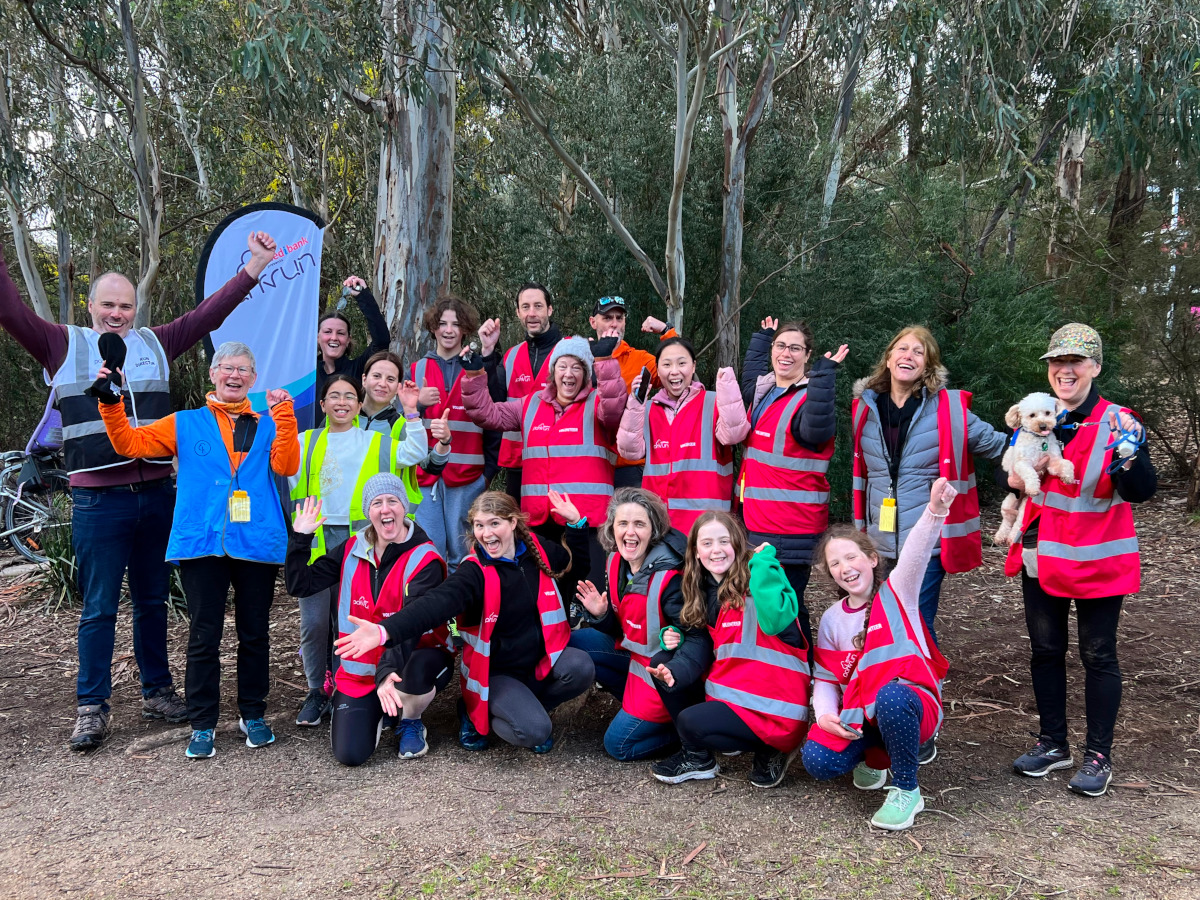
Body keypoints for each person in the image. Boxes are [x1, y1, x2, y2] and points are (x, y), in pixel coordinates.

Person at [0, 232, 278, 751]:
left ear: (136, 308)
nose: (117, 314)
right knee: (100, 605)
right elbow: (11, 311)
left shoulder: (156, 342)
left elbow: (207, 316)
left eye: (126, 305)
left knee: (153, 599)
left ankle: (157, 691)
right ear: (90, 306)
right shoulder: (61, 343)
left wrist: (255, 267)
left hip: (156, 494)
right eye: (108, 304)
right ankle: (92, 707)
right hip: (97, 501)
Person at [96, 342, 297, 758]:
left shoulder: (268, 422)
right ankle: (203, 722)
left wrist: (285, 414)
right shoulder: (185, 423)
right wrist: (111, 404)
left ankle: (252, 714)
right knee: (203, 636)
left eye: (243, 369)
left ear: (253, 379)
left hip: (255, 540)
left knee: (254, 634)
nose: (235, 375)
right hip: (201, 541)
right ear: (213, 374)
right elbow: (130, 444)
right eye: (227, 368)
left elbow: (286, 466)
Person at [1006, 324, 1156, 797]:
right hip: (1041, 551)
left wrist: (1128, 459)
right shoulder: (1035, 413)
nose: (1064, 370)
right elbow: (1010, 475)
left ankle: (1098, 755)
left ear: (1094, 366)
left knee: (1098, 654)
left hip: (1097, 556)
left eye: (1074, 361)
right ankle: (1053, 743)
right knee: (1045, 651)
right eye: (1056, 362)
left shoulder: (1118, 420)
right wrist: (1012, 477)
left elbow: (1142, 491)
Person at [335, 491, 595, 752]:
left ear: (513, 523)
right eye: (479, 525)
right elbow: (432, 605)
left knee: (581, 666)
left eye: (495, 523)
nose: (486, 533)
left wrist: (575, 526)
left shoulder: (536, 549)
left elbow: (577, 569)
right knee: (535, 732)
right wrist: (384, 631)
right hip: (496, 674)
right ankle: (475, 713)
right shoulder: (473, 572)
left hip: (539, 662)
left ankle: (530, 706)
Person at [801, 479, 954, 831]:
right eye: (835, 563)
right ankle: (874, 757)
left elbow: (916, 552)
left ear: (871, 559)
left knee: (891, 695)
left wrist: (934, 512)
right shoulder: (832, 619)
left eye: (852, 556)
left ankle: (906, 789)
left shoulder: (898, 593)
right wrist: (825, 716)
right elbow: (825, 679)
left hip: (913, 707)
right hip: (862, 716)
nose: (845, 567)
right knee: (817, 759)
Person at [850, 325, 1006, 645]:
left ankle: (923, 692)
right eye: (902, 349)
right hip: (878, 539)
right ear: (889, 358)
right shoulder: (863, 408)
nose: (909, 356)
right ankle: (885, 690)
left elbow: (999, 445)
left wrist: (1044, 442)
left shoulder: (949, 409)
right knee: (881, 623)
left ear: (928, 365)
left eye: (918, 352)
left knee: (916, 624)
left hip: (925, 540)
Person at [288, 374, 428, 727]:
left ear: (359, 403)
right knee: (316, 622)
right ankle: (317, 690)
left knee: (351, 622)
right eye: (333, 396)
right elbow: (281, 464)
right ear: (322, 405)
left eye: (349, 396)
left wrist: (411, 413)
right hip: (317, 540)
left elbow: (416, 452)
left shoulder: (376, 441)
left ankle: (348, 688)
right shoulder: (305, 441)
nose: (342, 402)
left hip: (361, 544)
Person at [286, 475, 453, 766]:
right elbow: (301, 585)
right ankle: (381, 710)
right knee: (350, 755)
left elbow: (411, 626)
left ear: (405, 508)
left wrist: (385, 674)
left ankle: (410, 719)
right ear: (368, 512)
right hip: (359, 673)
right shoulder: (352, 546)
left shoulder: (425, 558)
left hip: (409, 660)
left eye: (393, 501)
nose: (385, 509)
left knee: (413, 674)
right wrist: (300, 539)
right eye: (377, 503)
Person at [651, 512, 810, 790]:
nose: (716, 550)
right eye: (707, 543)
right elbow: (703, 645)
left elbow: (777, 622)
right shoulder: (702, 590)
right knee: (664, 662)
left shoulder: (763, 579)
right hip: (736, 696)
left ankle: (773, 748)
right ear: (696, 553)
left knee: (691, 722)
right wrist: (674, 647)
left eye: (724, 541)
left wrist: (762, 565)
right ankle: (698, 758)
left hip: (777, 705)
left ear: (738, 545)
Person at [462, 334, 626, 585]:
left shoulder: (599, 405)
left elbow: (615, 408)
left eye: (577, 367)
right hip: (539, 521)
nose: (569, 373)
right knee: (545, 595)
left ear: (586, 372)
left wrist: (604, 361)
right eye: (562, 366)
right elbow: (487, 414)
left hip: (587, 523)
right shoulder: (529, 404)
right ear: (553, 371)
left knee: (590, 594)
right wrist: (474, 377)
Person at [569, 488, 710, 760]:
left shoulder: (671, 578)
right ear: (612, 528)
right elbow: (627, 630)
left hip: (664, 672)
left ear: (654, 530)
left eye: (639, 524)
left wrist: (676, 645)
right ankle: (634, 709)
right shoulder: (617, 560)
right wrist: (601, 615)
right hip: (635, 659)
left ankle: (682, 729)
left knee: (618, 746)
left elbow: (697, 639)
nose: (629, 532)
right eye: (623, 523)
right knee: (577, 644)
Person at [739, 317, 848, 654]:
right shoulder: (768, 393)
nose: (787, 353)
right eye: (781, 346)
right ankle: (782, 672)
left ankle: (803, 671)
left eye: (795, 348)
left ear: (808, 355)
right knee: (766, 602)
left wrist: (824, 376)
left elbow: (816, 431)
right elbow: (749, 380)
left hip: (791, 526)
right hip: (758, 520)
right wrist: (761, 338)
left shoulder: (808, 397)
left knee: (786, 605)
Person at [618, 337, 749, 532]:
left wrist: (728, 388)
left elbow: (734, 434)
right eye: (667, 364)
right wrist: (635, 404)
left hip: (707, 525)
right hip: (659, 524)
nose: (674, 371)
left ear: (693, 366)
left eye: (682, 363)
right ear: (658, 369)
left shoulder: (714, 402)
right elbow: (629, 451)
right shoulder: (646, 409)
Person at [411, 296, 499, 571]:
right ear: (433, 328)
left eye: (456, 324)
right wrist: (417, 404)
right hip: (424, 476)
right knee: (429, 551)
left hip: (467, 476)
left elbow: (495, 421)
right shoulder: (417, 369)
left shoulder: (477, 369)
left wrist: (487, 475)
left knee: (463, 552)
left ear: (465, 330)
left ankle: (463, 611)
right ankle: (434, 611)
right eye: (442, 323)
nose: (448, 330)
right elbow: (402, 425)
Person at [479, 282, 561, 501]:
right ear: (517, 312)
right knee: (521, 528)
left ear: (550, 310)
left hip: (557, 459)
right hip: (518, 461)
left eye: (538, 306)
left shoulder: (568, 352)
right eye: (525, 307)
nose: (531, 313)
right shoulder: (511, 356)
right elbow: (494, 403)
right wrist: (487, 353)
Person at [587, 296, 676, 488]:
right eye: (607, 318)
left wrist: (666, 331)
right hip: (589, 463)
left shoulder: (640, 359)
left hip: (629, 466)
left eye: (619, 318)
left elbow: (677, 373)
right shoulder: (580, 359)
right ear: (593, 322)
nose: (614, 324)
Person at [356, 349, 445, 508]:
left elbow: (430, 465)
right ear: (364, 379)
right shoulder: (341, 418)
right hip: (339, 518)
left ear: (397, 386)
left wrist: (444, 442)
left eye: (390, 379)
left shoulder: (403, 425)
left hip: (387, 517)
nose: (382, 384)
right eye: (376, 376)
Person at [315, 275, 390, 425]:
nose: (334, 338)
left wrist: (363, 295)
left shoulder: (358, 369)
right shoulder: (307, 373)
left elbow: (381, 341)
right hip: (309, 445)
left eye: (341, 333)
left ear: (348, 339)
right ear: (317, 337)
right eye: (328, 332)